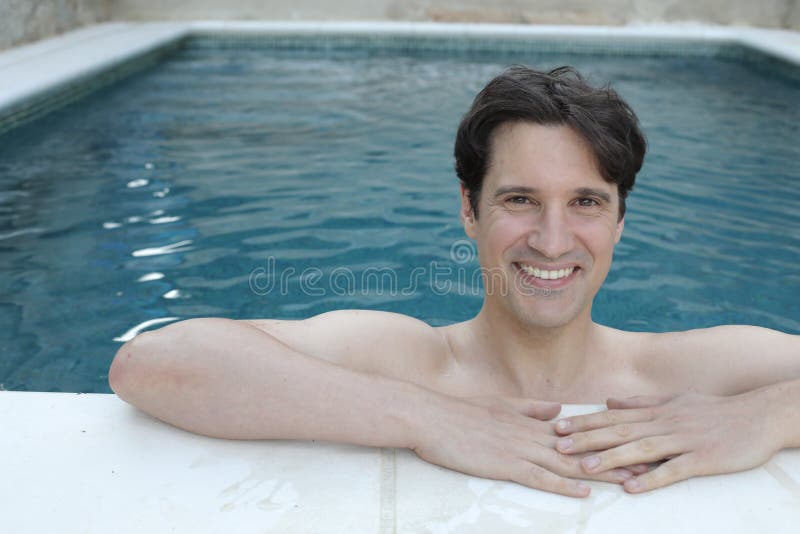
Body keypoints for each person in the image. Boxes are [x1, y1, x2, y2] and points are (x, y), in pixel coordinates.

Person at [108, 65, 800, 499]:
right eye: (519, 200)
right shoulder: (410, 363)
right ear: (469, 210)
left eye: (586, 203)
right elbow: (153, 362)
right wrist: (424, 417)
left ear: (620, 221)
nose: (552, 241)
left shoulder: (682, 373)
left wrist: (765, 417)